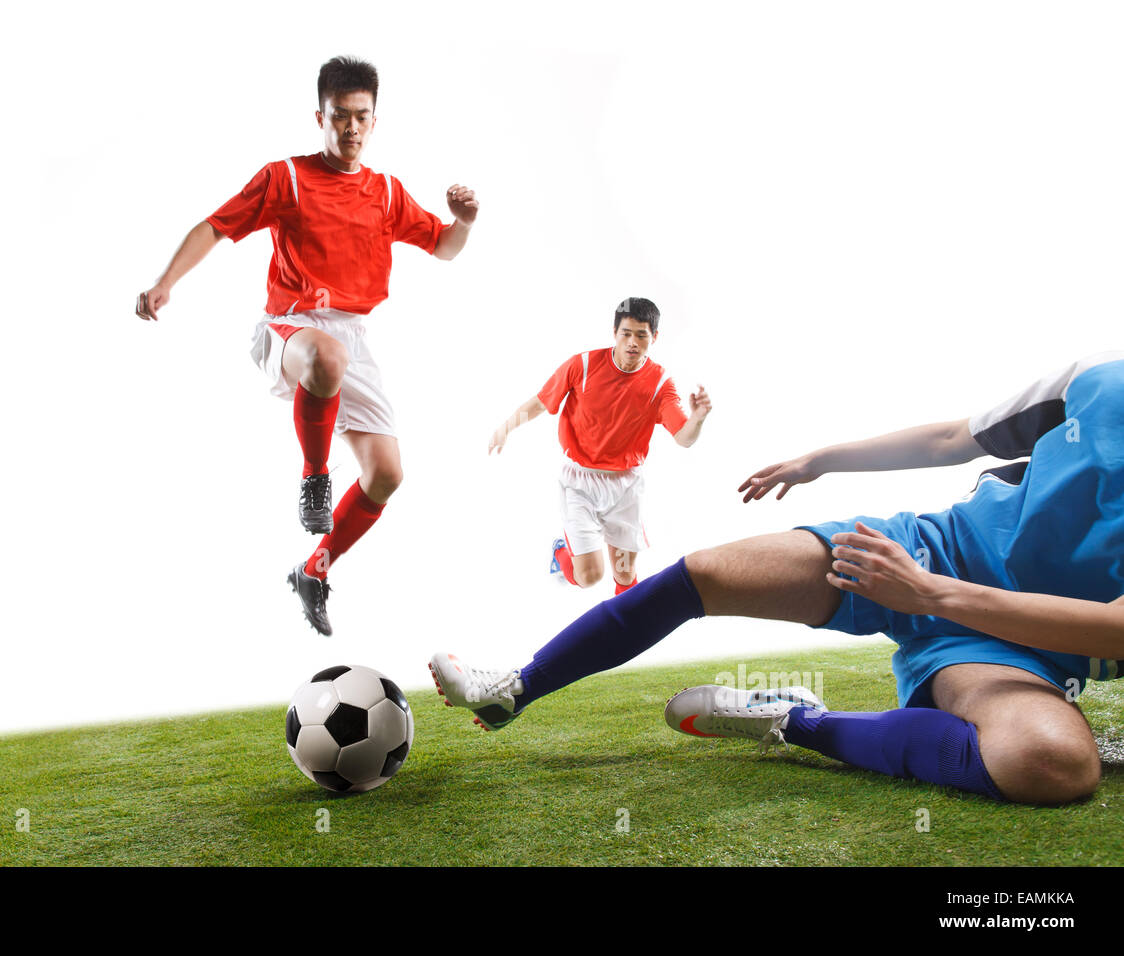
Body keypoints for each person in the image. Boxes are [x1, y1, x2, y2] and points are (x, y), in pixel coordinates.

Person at [431, 351, 1124, 805]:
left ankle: (796, 720)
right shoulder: (1094, 383)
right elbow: (954, 439)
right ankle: (514, 690)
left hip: (1012, 650)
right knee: (704, 574)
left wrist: (931, 597)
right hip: (933, 549)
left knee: (1051, 764)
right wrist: (819, 461)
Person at [135, 57, 479, 636]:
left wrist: (463, 222)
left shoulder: (387, 191)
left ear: (375, 120)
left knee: (387, 474)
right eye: (339, 116)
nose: (351, 128)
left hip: (351, 336)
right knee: (325, 358)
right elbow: (215, 227)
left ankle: (314, 570)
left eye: (361, 117)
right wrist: (166, 282)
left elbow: (443, 246)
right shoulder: (286, 179)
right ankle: (315, 476)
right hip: (289, 327)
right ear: (319, 116)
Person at [488, 298, 711, 595]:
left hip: (625, 485)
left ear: (654, 337)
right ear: (615, 333)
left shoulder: (659, 384)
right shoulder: (582, 365)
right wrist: (507, 426)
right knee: (589, 577)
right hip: (579, 482)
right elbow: (542, 401)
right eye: (626, 333)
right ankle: (561, 554)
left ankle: (626, 636)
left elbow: (683, 438)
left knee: (626, 575)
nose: (633, 342)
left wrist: (697, 419)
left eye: (641, 335)